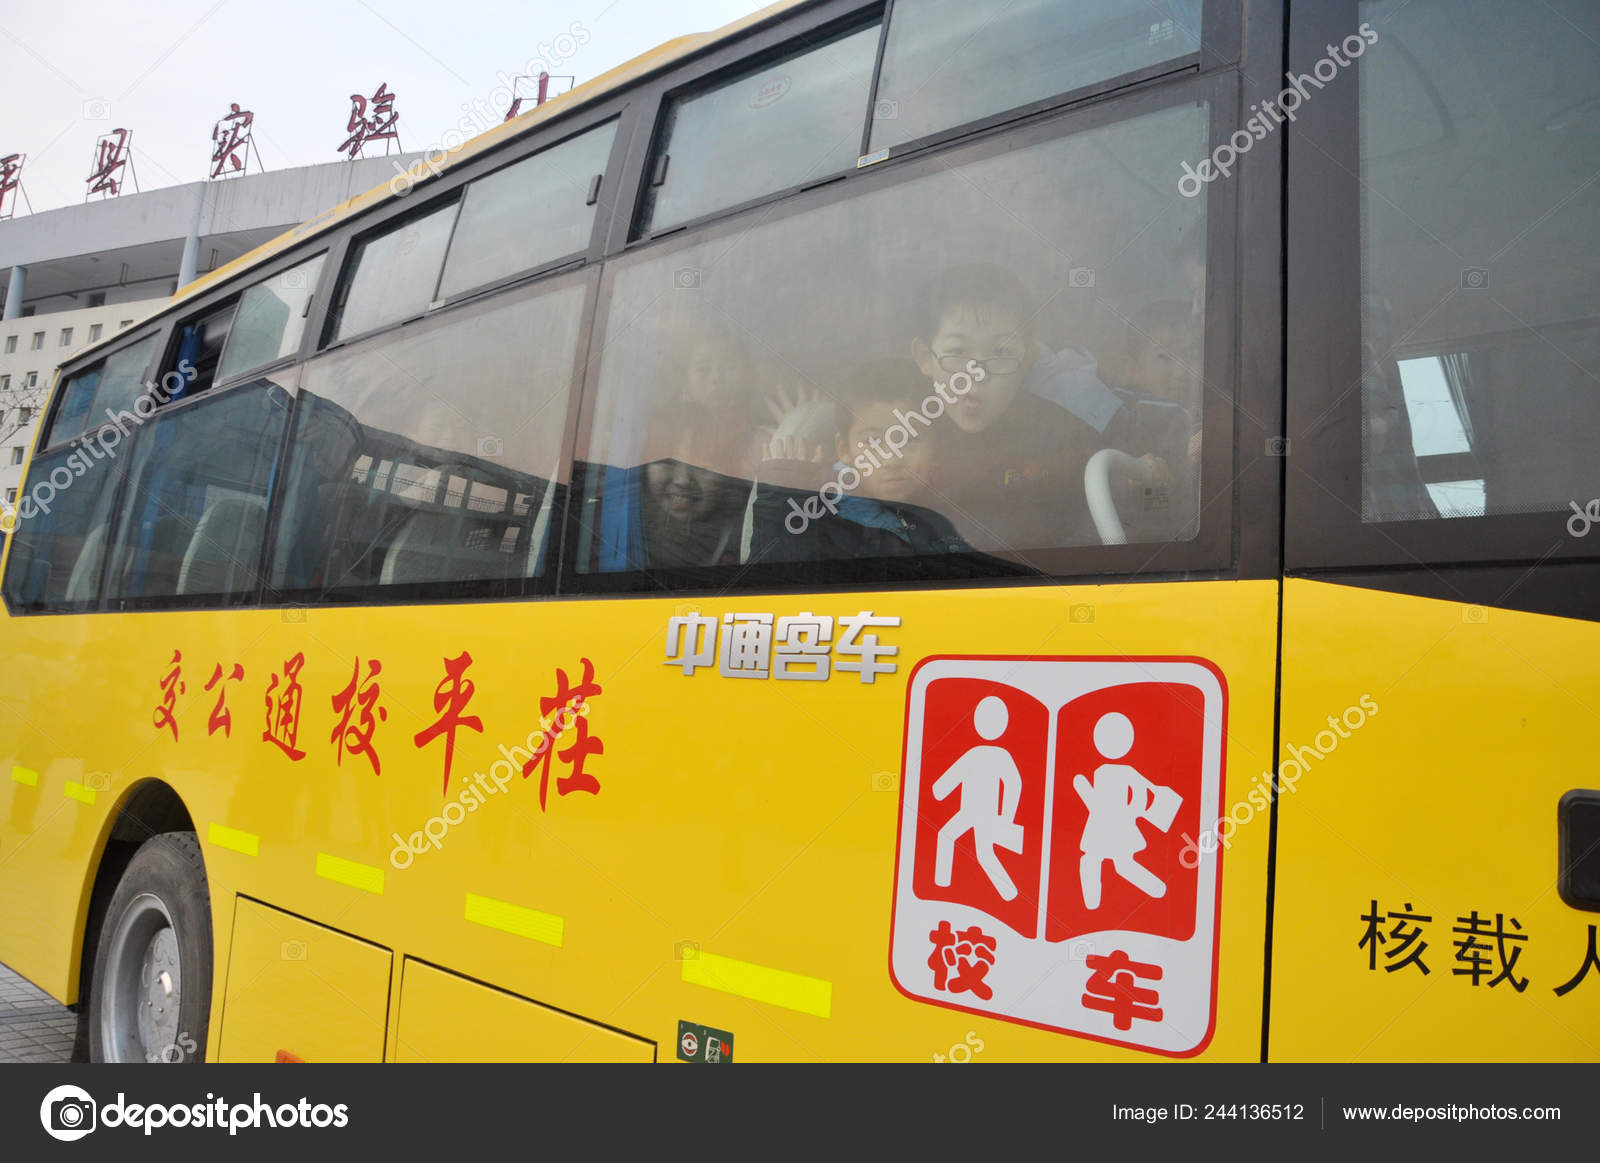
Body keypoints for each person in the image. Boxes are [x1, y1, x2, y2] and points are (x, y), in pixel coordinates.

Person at [909, 263, 1100, 552]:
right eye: (958, 351)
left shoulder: (1062, 437)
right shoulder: (898, 435)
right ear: (925, 357)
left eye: (1000, 352)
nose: (976, 374)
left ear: (1028, 360)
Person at [1104, 299, 1205, 539]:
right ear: (1131, 368)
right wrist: (1131, 473)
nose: (1181, 371)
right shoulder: (1119, 412)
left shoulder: (1219, 413)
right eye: (1164, 356)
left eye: (1192, 354)